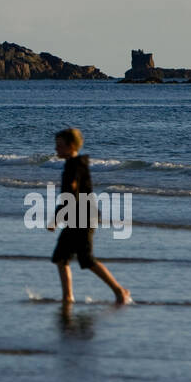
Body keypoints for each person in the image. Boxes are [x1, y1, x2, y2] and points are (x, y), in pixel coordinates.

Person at [47, 127, 131, 304]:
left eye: (59, 146)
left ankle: (120, 291)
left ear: (71, 146)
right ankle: (67, 297)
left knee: (86, 259)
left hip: (84, 219)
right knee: (61, 257)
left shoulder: (75, 165)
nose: (56, 149)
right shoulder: (74, 164)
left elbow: (71, 193)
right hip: (76, 219)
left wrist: (57, 218)